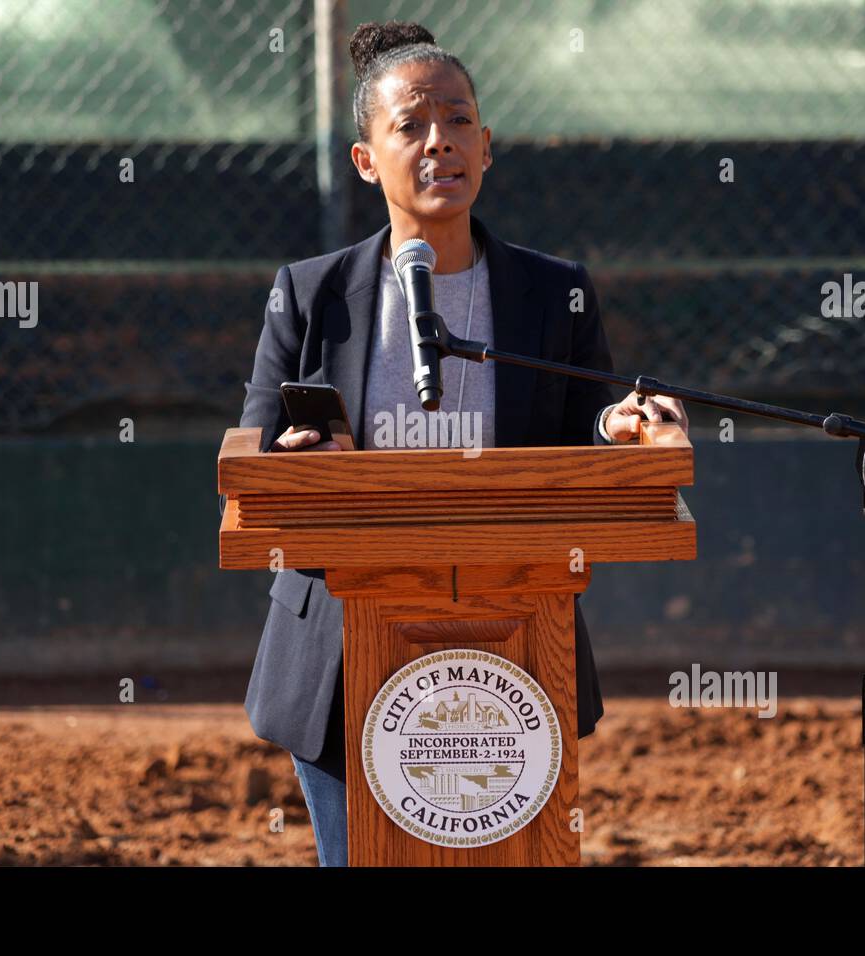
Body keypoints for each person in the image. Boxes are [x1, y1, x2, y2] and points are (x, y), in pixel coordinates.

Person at [230, 20, 688, 866]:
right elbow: (254, 461)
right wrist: (301, 463)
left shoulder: (557, 294)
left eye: (459, 119)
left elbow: (586, 432)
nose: (440, 140)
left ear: (488, 145)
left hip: (515, 654)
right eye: (410, 124)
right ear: (367, 159)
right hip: (340, 667)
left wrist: (619, 428)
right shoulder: (310, 293)